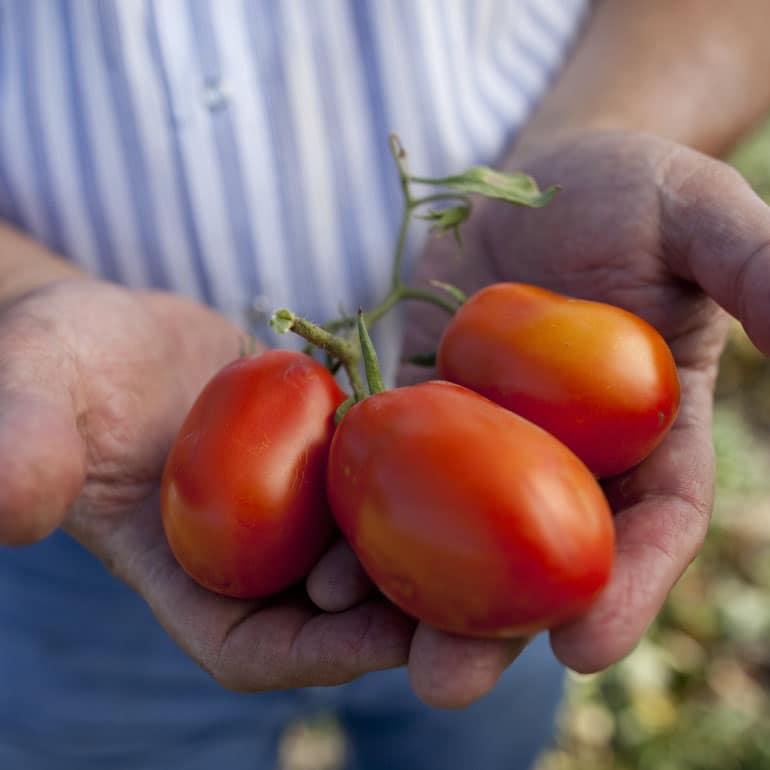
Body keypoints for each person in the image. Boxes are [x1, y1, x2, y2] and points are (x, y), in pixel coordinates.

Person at [1, 1, 770, 768]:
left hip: (465, 554)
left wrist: (622, 118)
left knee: (479, 722)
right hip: (92, 506)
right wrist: (18, 290)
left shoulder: (433, 383)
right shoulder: (383, 409)